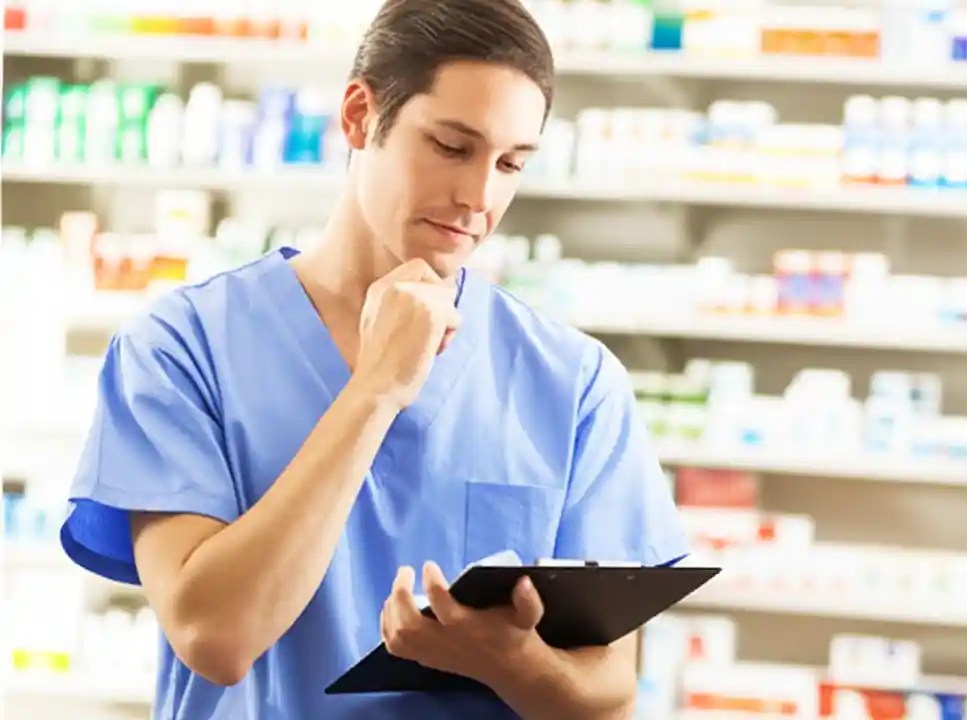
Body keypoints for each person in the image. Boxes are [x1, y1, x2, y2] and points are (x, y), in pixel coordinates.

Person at [58, 0, 690, 717]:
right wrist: (376, 389)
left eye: (511, 163)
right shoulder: (181, 348)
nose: (479, 197)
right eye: (452, 147)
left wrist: (514, 663)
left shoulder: (573, 382)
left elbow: (608, 693)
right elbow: (215, 636)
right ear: (359, 115)